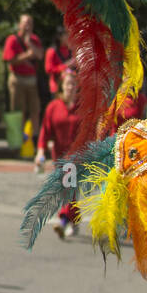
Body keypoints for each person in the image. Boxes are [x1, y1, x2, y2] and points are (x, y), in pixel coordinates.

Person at [35, 68, 83, 238]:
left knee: (68, 188)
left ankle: (63, 220)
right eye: (67, 84)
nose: (70, 87)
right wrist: (40, 152)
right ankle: (74, 220)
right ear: (61, 86)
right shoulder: (53, 108)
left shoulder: (83, 107)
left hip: (78, 155)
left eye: (73, 84)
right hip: (59, 156)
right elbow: (45, 131)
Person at [2, 13, 44, 141]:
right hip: (17, 79)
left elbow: (40, 56)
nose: (27, 26)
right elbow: (10, 60)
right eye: (25, 22)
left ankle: (35, 140)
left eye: (30, 23)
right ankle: (16, 141)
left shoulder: (35, 40)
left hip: (31, 79)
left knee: (35, 109)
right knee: (17, 111)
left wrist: (29, 43)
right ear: (19, 24)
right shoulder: (12, 40)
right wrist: (27, 55)